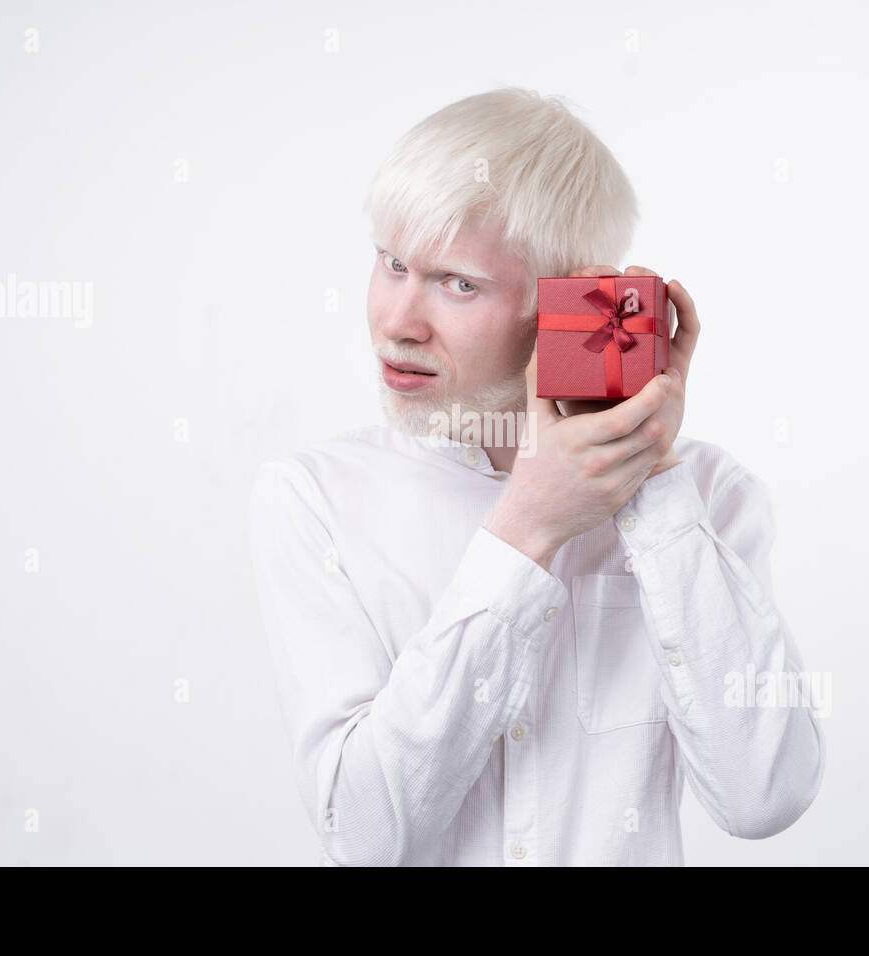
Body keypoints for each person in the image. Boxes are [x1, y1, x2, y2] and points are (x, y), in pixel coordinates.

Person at [249, 87, 824, 866]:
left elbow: (765, 796)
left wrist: (648, 474)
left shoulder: (708, 498)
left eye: (458, 283)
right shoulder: (315, 500)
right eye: (391, 264)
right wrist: (525, 530)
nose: (397, 321)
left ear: (570, 299)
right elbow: (364, 836)